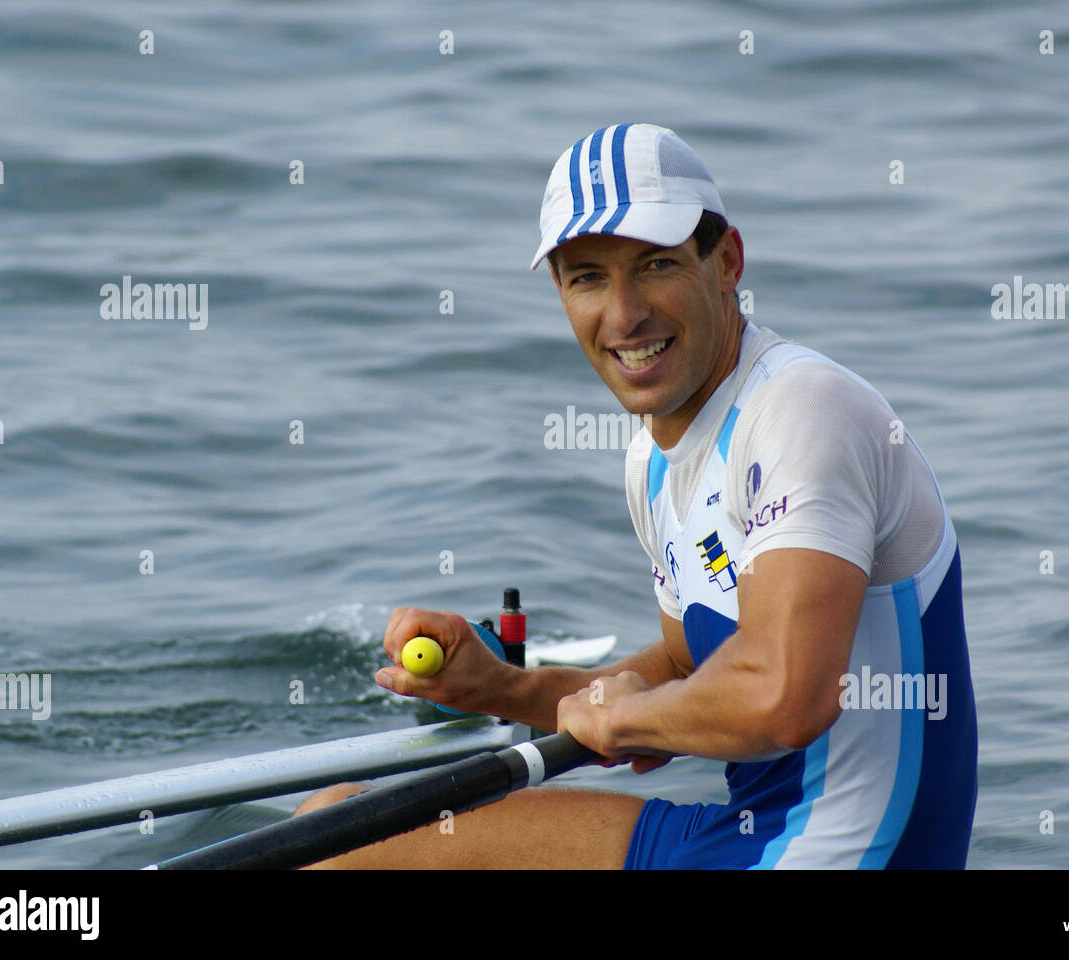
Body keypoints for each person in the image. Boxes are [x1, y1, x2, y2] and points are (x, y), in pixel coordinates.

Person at [296, 122, 978, 868]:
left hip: (839, 856)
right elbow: (690, 674)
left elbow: (785, 698)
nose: (623, 317)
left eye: (654, 265)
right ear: (560, 292)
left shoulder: (802, 411)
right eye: (587, 276)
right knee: (338, 818)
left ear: (728, 262)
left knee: (336, 853)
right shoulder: (651, 462)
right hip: (748, 834)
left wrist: (623, 721)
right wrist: (505, 689)